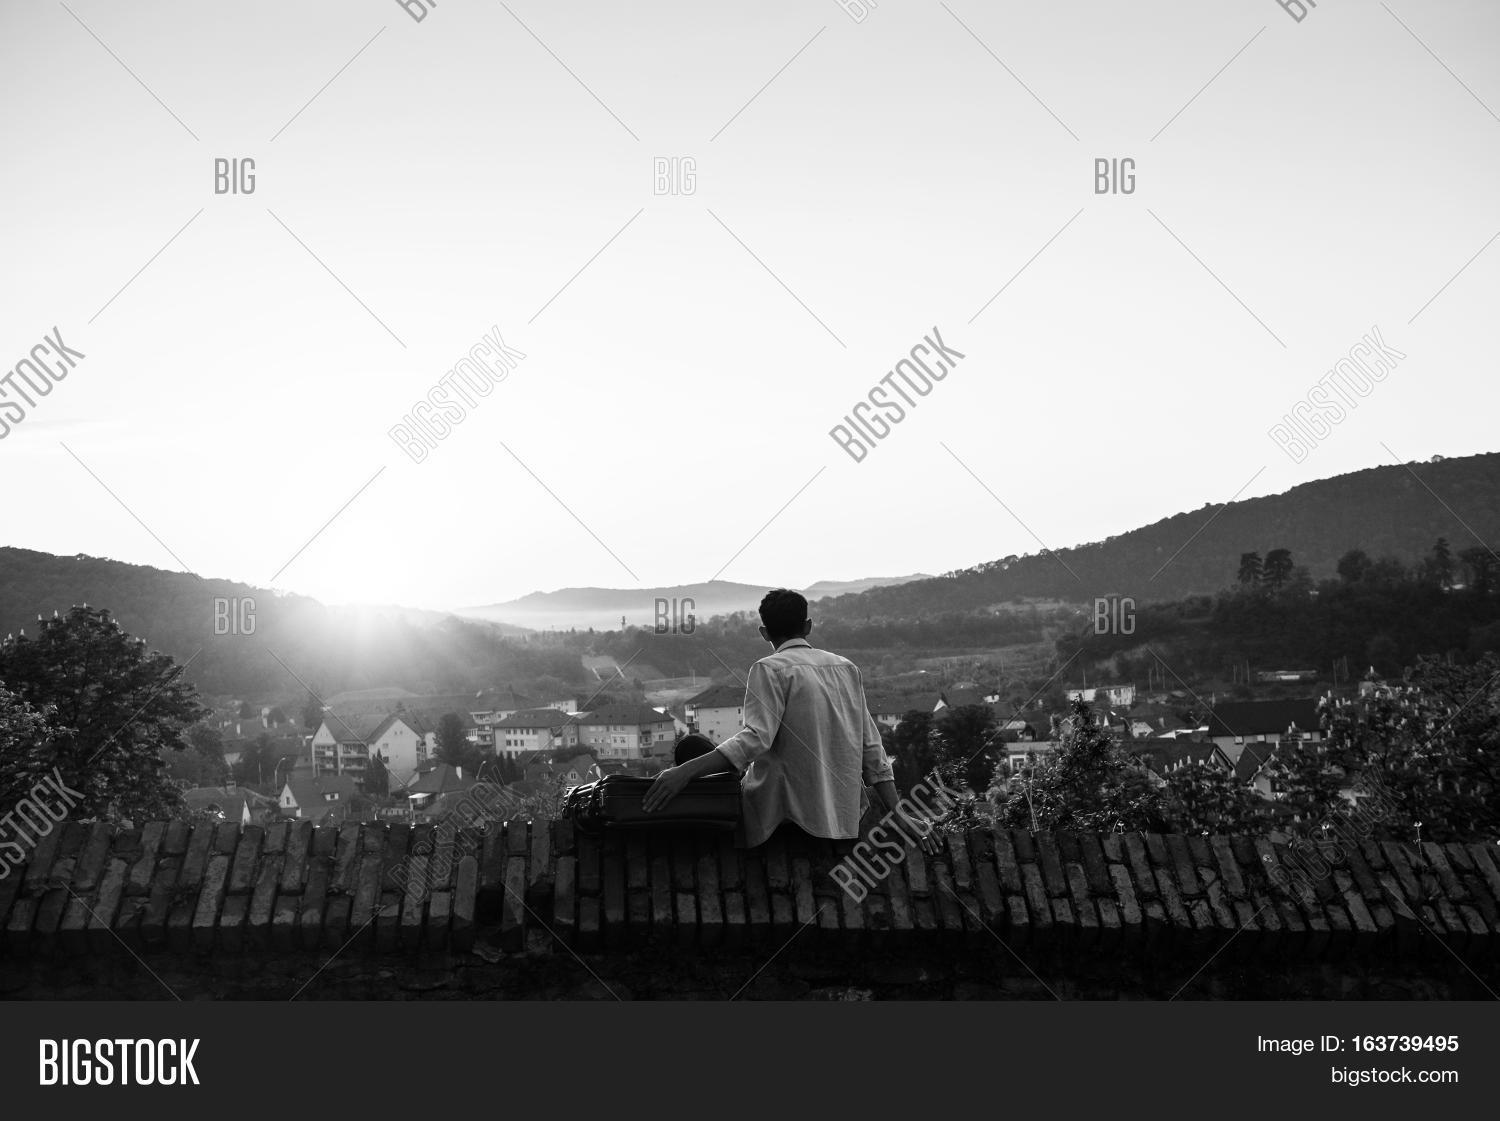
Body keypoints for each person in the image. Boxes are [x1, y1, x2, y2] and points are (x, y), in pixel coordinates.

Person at [644, 588, 937, 851]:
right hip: (842, 816)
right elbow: (872, 748)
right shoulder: (847, 669)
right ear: (807, 626)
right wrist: (898, 812)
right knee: (699, 752)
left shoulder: (769, 669)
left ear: (764, 633)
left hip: (784, 814)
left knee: (691, 747)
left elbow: (755, 739)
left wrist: (684, 773)